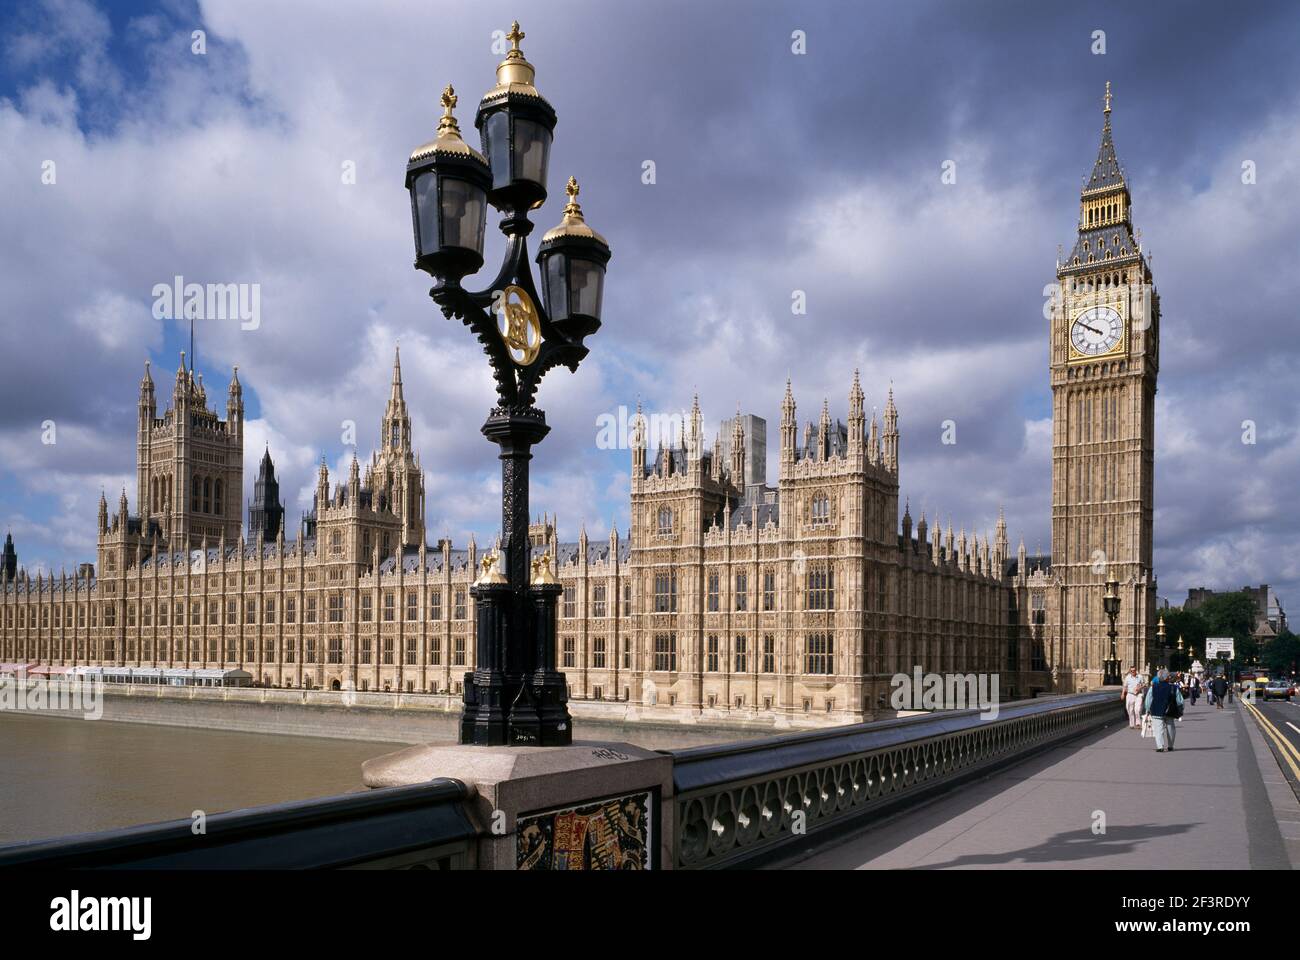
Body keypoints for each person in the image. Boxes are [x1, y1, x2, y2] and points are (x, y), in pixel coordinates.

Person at [1144, 667, 1184, 752]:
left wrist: (1147, 709)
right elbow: (1180, 701)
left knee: (1158, 730)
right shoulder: (1173, 688)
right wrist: (1181, 710)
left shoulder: (1153, 687)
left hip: (1156, 711)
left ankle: (1160, 746)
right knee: (1171, 728)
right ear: (1167, 678)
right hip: (1170, 711)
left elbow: (1148, 700)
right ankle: (1170, 746)